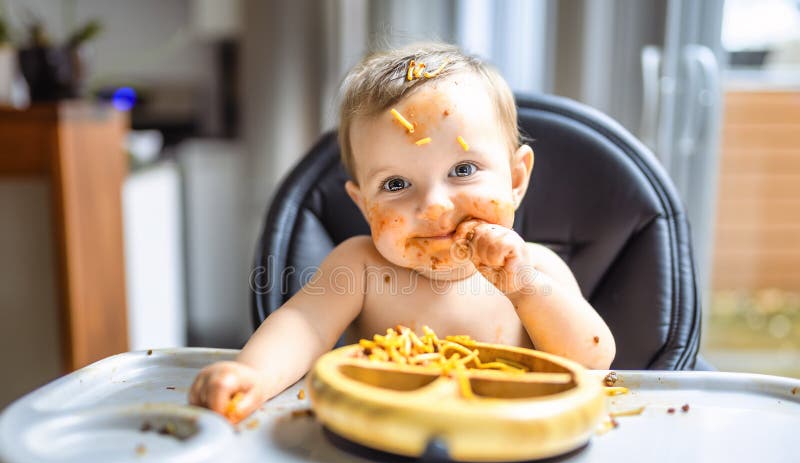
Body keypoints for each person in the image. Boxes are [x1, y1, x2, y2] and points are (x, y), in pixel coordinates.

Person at [189, 42, 615, 422]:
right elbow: (303, 325)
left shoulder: (537, 268)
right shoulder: (359, 266)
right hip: (381, 442)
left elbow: (593, 362)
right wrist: (252, 374)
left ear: (516, 180)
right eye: (395, 184)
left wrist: (525, 289)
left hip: (508, 445)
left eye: (463, 170)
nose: (433, 205)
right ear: (363, 204)